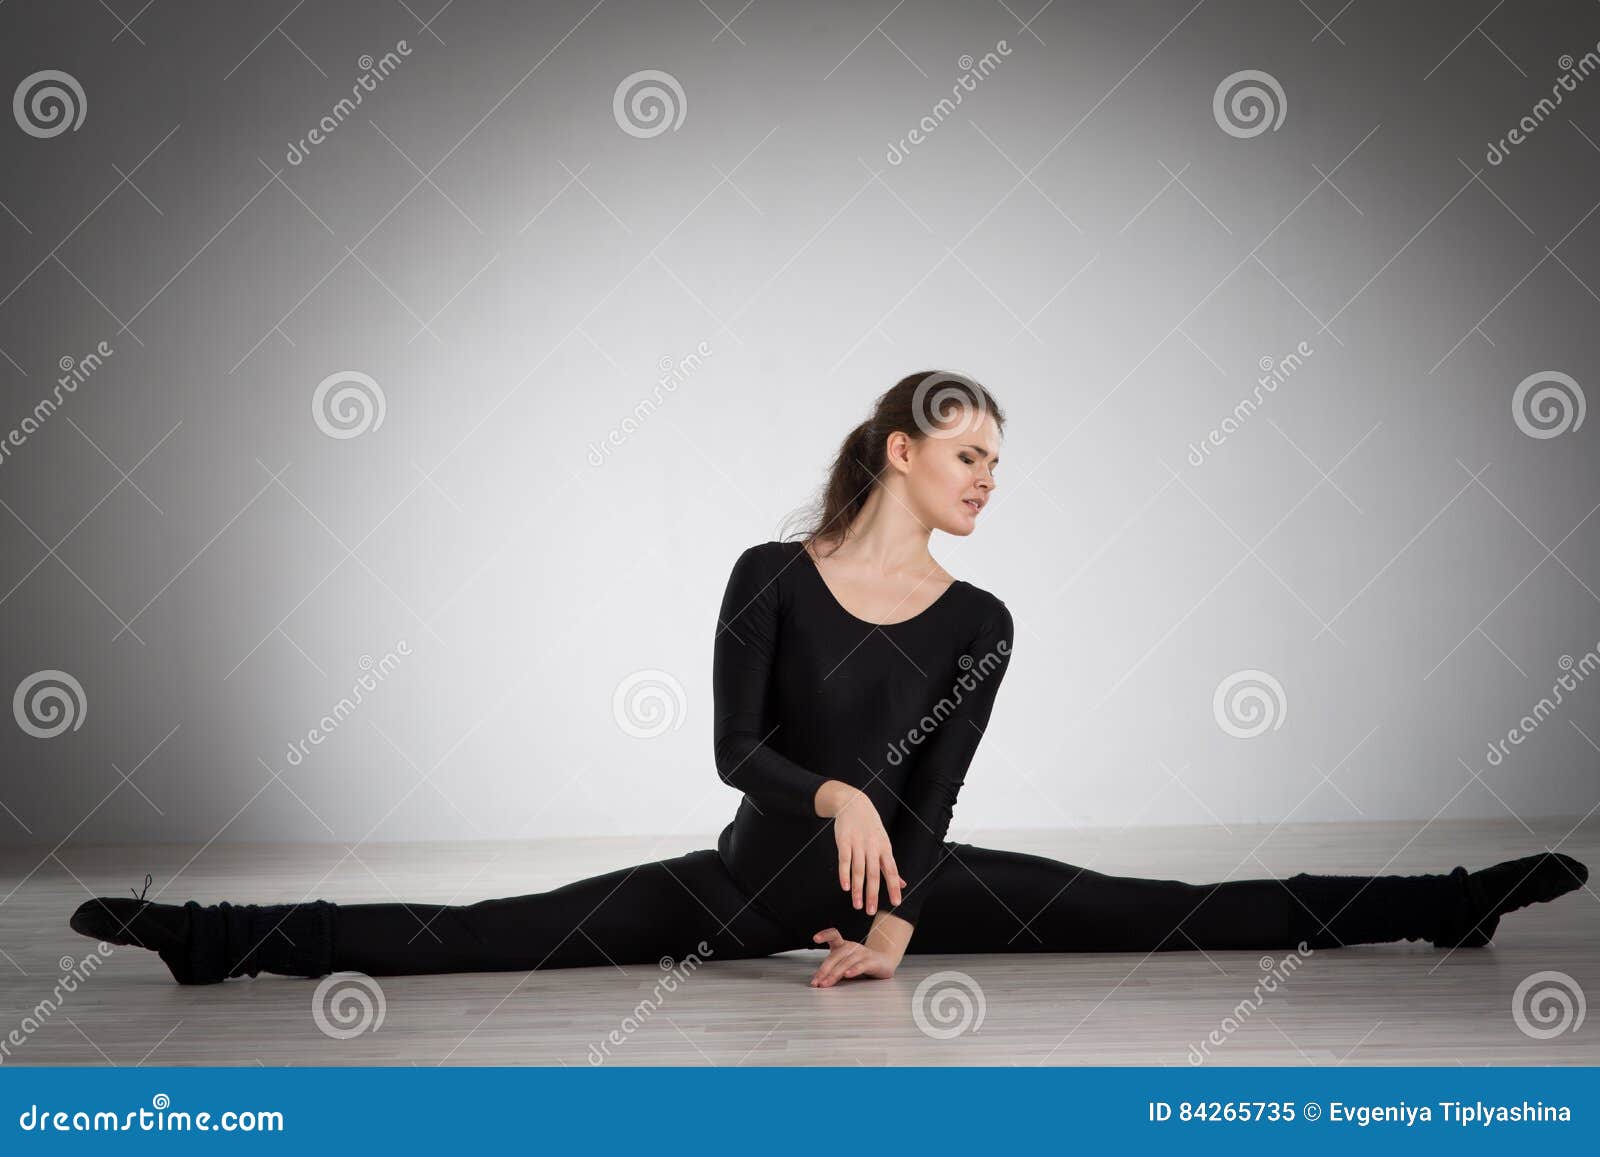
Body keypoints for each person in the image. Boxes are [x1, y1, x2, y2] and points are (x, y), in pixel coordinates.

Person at [69, 370, 1588, 987]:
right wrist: (836, 782)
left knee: (1182, 914)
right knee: (487, 934)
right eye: (970, 452)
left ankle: (1444, 899)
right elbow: (737, 751)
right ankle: (217, 937)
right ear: (901, 451)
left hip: (917, 885)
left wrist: (901, 923)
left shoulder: (981, 613)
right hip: (746, 880)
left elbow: (938, 797)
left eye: (1003, 458)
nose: (992, 477)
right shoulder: (769, 574)